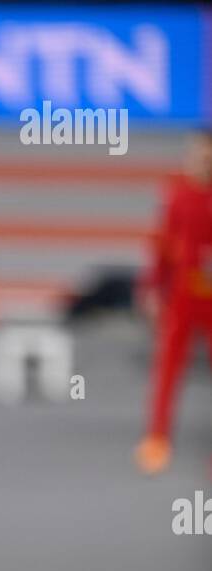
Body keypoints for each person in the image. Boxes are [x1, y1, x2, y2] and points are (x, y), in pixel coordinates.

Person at [135, 129, 212, 474]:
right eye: (197, 155)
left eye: (207, 157)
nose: (201, 162)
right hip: (184, 293)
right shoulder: (177, 195)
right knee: (168, 366)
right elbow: (163, 245)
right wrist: (153, 287)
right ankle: (158, 436)